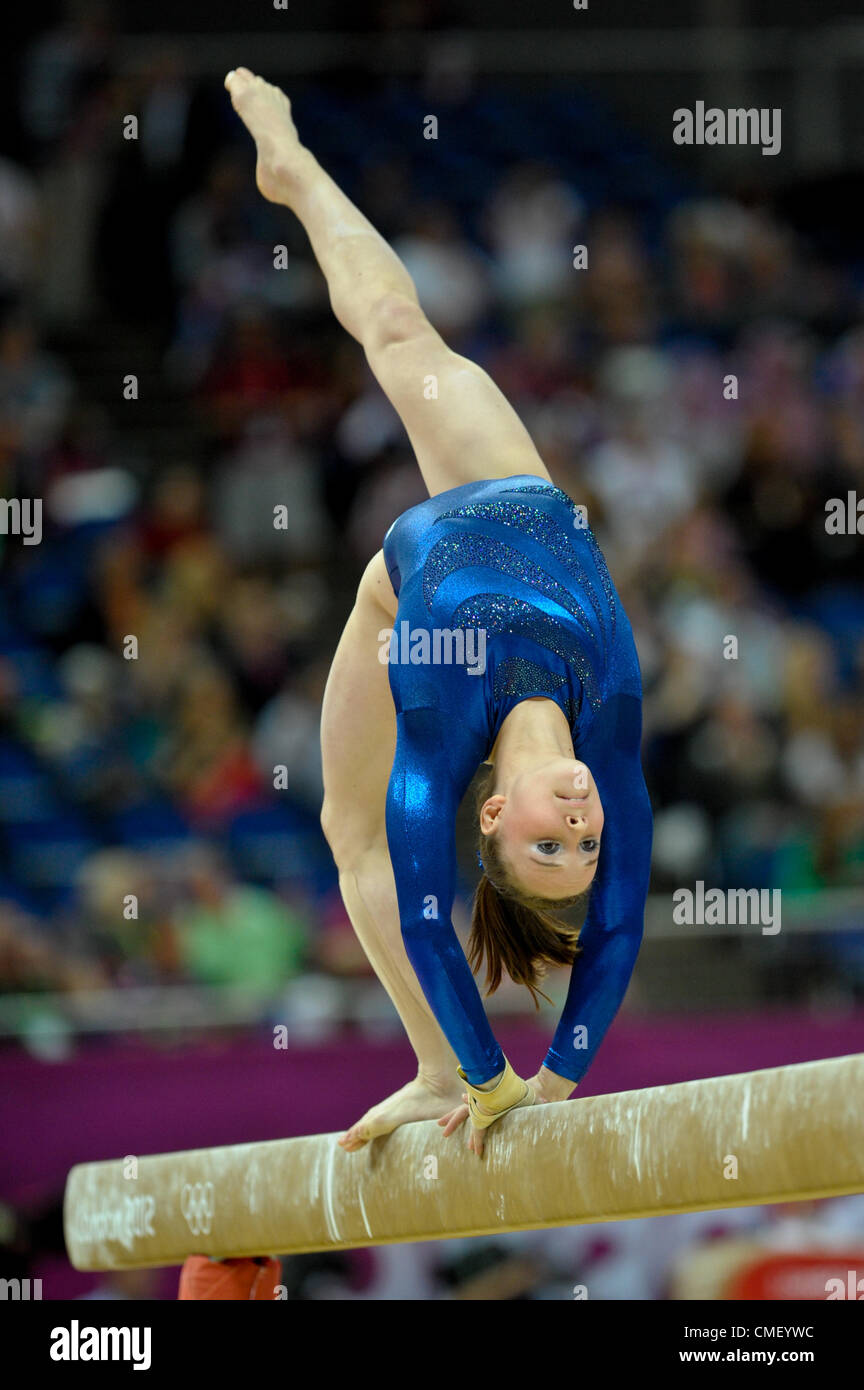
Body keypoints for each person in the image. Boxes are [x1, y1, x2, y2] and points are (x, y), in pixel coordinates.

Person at [226, 68, 653, 1157]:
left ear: (493, 818)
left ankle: (431, 1063)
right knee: (401, 330)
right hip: (503, 494)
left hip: (405, 605)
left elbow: (428, 912)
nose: (579, 815)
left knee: (346, 828)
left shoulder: (442, 726)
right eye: (587, 837)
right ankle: (297, 168)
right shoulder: (612, 721)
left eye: (549, 839)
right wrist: (551, 1080)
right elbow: (617, 926)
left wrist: (489, 1074)